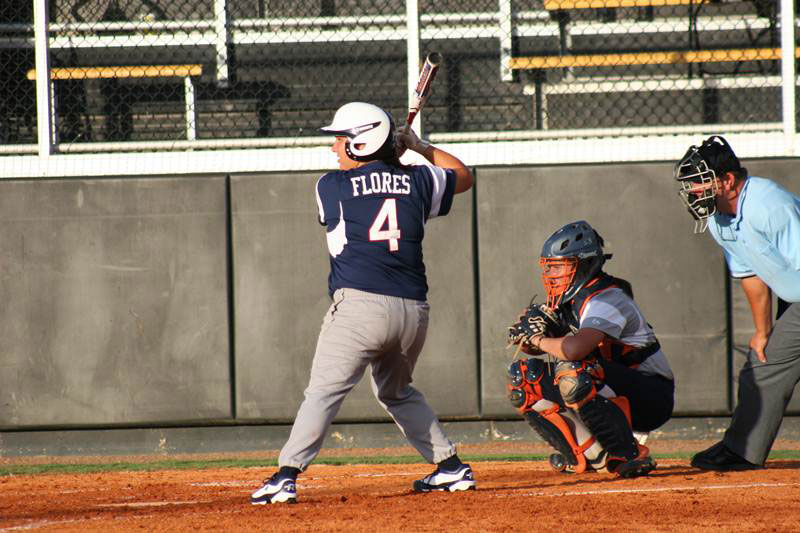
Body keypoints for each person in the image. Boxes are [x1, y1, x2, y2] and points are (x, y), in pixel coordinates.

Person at [251, 102, 476, 504]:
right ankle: (450, 466)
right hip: (412, 313)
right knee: (397, 391)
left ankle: (285, 476)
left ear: (361, 143)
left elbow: (349, 207)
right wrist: (421, 147)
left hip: (360, 308)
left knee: (322, 392)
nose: (335, 147)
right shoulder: (421, 181)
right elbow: (464, 176)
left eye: (341, 139)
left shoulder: (330, 186)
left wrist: (395, 158)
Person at [506, 220, 675, 477]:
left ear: (584, 264)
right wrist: (530, 340)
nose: (552, 275)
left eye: (560, 267)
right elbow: (546, 351)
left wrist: (538, 339)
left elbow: (573, 350)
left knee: (574, 371)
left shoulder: (607, 298)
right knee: (524, 379)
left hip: (650, 394)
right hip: (609, 386)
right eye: (550, 267)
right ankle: (590, 456)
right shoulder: (569, 301)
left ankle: (629, 455)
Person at [674, 135, 800, 471]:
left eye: (701, 184)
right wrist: (763, 331)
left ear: (728, 180)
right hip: (795, 300)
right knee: (762, 362)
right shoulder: (718, 218)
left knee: (765, 368)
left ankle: (741, 450)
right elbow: (752, 275)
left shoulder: (767, 204)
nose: (694, 193)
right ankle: (741, 449)